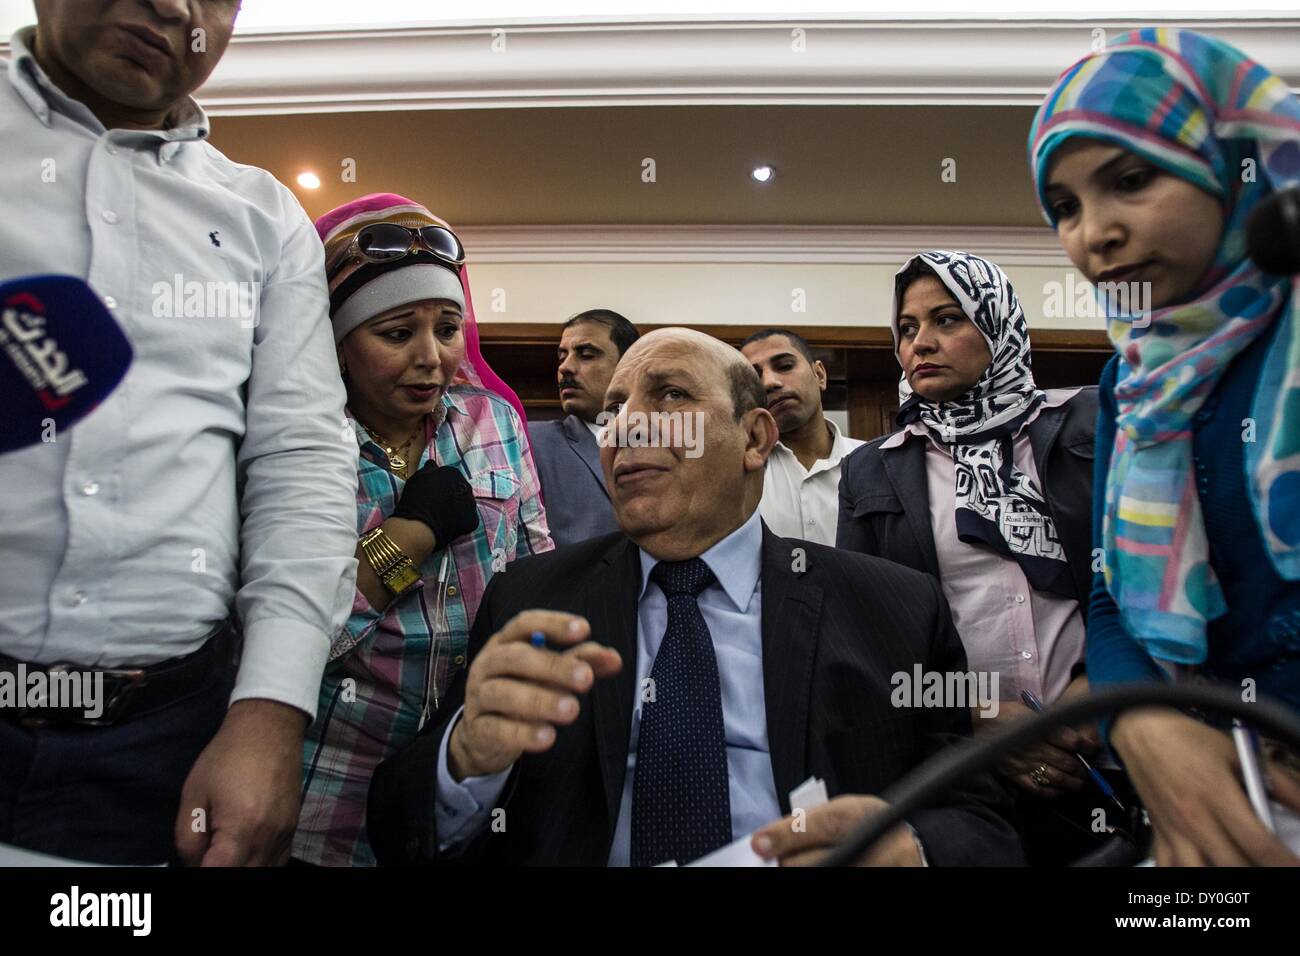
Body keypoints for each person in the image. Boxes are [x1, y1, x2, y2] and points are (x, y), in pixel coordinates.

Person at [367, 328, 1022, 867]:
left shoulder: (894, 611)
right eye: (614, 410)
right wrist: (466, 763)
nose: (627, 429)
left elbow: (986, 824)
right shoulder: (530, 600)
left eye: (671, 396)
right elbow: (397, 825)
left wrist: (914, 848)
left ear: (757, 439)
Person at [0, 1, 358, 866]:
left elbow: (300, 460)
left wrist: (270, 712)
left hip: (166, 751)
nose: (174, 6)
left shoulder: (265, 218)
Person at [1029, 27, 1300, 865]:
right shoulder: (1129, 382)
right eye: (1065, 206)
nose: (1092, 235)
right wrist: (1142, 721)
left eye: (1131, 180)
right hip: (1215, 814)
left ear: (1235, 167)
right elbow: (1112, 596)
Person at [293, 194, 553, 866]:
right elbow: (291, 634)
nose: (432, 358)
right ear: (339, 343)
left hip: (465, 784)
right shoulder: (298, 442)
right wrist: (407, 538)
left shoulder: (492, 422)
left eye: (447, 328)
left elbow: (534, 561)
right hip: (327, 788)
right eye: (397, 333)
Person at [836, 251, 1111, 865]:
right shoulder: (872, 466)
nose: (921, 343)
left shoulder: (1089, 423)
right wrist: (979, 717)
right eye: (907, 328)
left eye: (947, 320)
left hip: (1109, 742)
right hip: (958, 763)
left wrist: (1098, 696)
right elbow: (863, 637)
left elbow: (1144, 580)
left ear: (997, 324)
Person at [741, 328, 864, 546]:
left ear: (820, 375)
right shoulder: (740, 474)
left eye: (785, 366)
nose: (769, 382)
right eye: (755, 376)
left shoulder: (874, 463)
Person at [529, 309, 639, 547]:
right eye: (562, 357)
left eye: (586, 355)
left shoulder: (666, 444)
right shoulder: (530, 441)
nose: (565, 368)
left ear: (628, 367)